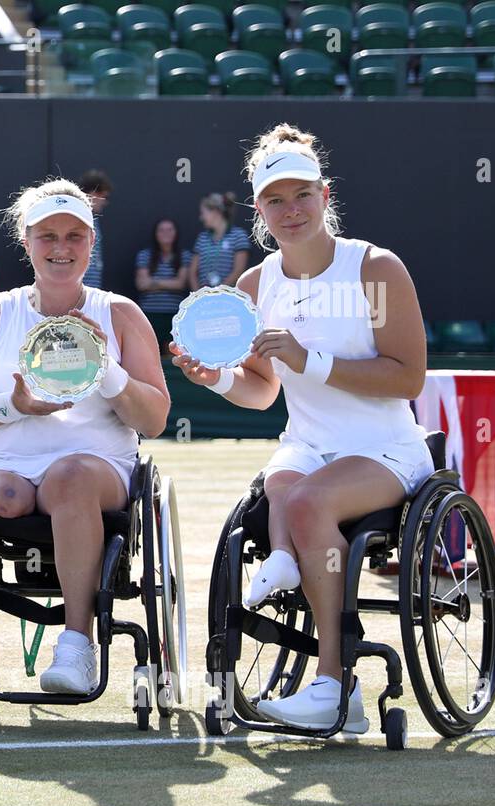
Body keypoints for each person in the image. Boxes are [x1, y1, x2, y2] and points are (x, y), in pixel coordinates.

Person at [170, 124, 431, 733]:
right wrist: (212, 378)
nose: (290, 211)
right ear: (257, 208)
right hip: (306, 448)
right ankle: (286, 558)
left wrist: (307, 359)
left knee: (307, 500)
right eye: (275, 200)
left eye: (301, 196)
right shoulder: (255, 285)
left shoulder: (376, 268)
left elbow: (408, 377)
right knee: (281, 482)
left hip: (385, 450)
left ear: (325, 194)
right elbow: (261, 391)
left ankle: (337, 689)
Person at [0, 180, 169, 695]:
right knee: (7, 496)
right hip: (10, 468)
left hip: (97, 466)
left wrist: (106, 368)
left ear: (91, 242)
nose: (61, 248)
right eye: (48, 236)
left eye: (74, 236)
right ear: (26, 241)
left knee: (68, 478)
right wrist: (12, 406)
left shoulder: (121, 313)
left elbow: (153, 419)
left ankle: (77, 644)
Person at [133, 218, 191, 349]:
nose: (166, 233)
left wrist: (153, 282)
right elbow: (141, 284)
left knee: (173, 352)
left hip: (175, 315)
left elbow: (180, 284)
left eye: (170, 230)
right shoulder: (144, 255)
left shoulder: (184, 256)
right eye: (162, 230)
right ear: (156, 234)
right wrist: (170, 283)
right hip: (149, 314)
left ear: (176, 233)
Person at [190, 191, 252, 290]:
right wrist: (198, 296)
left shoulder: (238, 235)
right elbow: (192, 273)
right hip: (203, 301)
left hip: (229, 298)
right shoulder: (202, 238)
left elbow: (239, 270)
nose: (201, 218)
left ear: (215, 212)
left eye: (203, 213)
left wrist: (218, 292)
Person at [78, 168, 111, 290]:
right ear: (93, 193)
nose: (105, 202)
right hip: (75, 293)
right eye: (104, 197)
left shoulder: (93, 219)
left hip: (89, 293)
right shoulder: (76, 218)